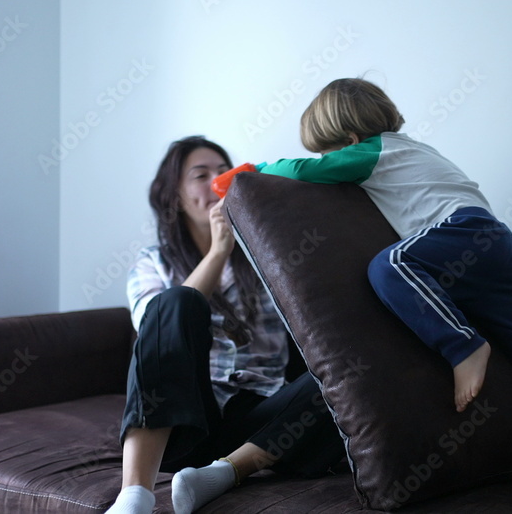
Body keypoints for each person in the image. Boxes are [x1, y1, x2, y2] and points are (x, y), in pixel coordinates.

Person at [252, 78, 512, 493]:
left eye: (330, 150)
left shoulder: (374, 151)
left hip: (465, 233)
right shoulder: (417, 150)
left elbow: (304, 171)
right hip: (497, 247)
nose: (329, 159)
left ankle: (464, 347)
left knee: (388, 266)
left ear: (351, 139)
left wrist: (256, 171)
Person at [106, 136, 344, 514]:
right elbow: (153, 327)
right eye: (201, 175)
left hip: (262, 422)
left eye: (223, 172)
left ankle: (222, 474)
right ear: (174, 196)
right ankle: (134, 496)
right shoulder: (153, 263)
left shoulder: (266, 258)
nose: (217, 181)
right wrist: (219, 251)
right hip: (188, 420)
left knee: (346, 372)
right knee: (174, 302)